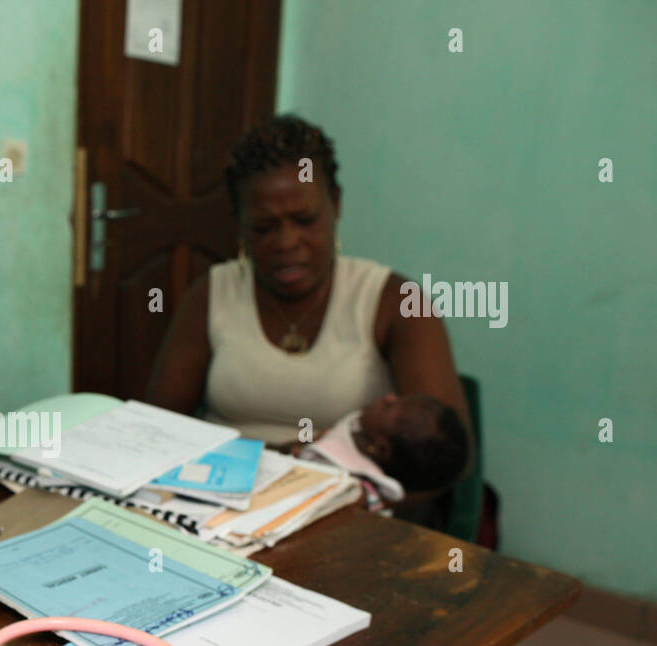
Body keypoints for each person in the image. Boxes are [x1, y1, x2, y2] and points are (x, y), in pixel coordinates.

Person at [145, 115, 471, 517]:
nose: (286, 242)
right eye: (264, 227)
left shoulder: (396, 302)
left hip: (340, 517)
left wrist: (342, 499)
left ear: (335, 203)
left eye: (305, 220)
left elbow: (441, 466)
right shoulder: (211, 295)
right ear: (240, 225)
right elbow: (156, 431)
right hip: (214, 505)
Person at [299, 392, 469, 506]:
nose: (389, 397)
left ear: (381, 449)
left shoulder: (355, 487)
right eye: (398, 398)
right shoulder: (360, 433)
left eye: (390, 407)